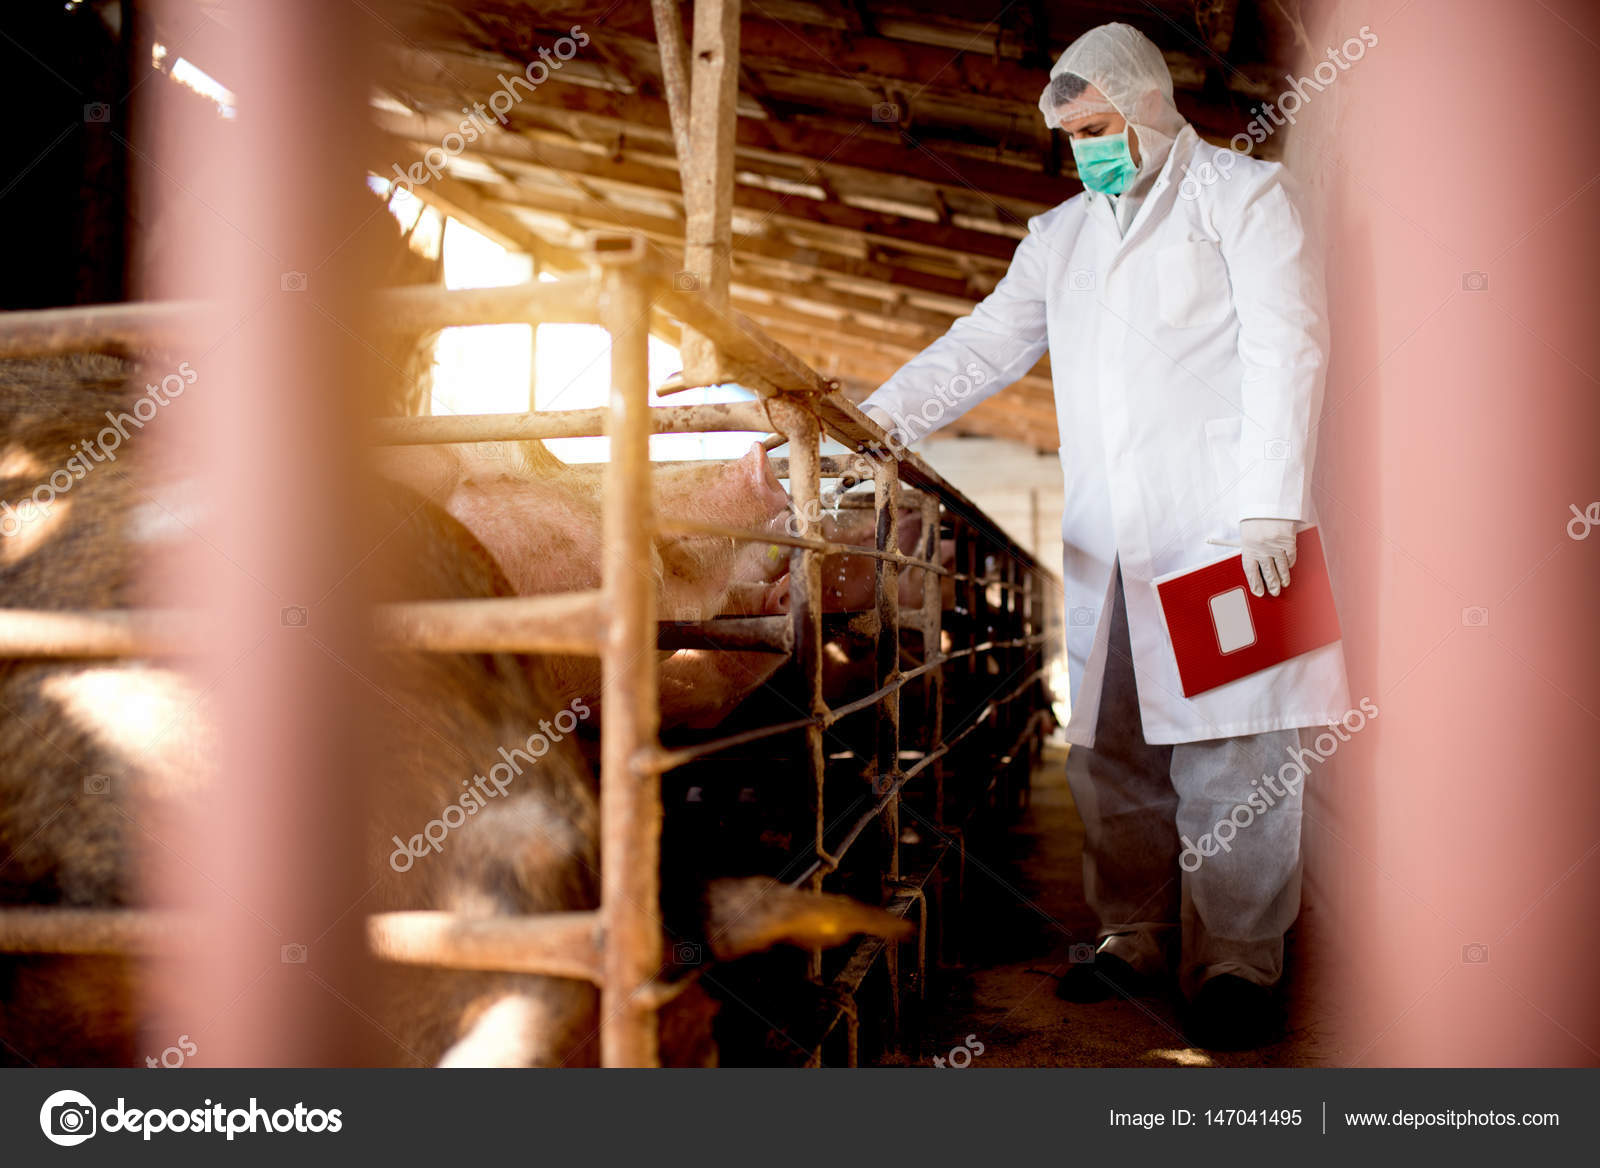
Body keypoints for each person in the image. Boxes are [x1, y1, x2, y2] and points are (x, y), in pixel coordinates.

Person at [857, 22, 1350, 1049]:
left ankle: (1236, 962)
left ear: (1149, 105)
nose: (1086, 149)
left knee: (1238, 751)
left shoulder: (1244, 197)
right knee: (1111, 747)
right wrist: (875, 421)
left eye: (1097, 126)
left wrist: (1272, 499)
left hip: (1228, 532)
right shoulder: (1060, 238)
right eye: (1073, 134)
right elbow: (984, 342)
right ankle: (1132, 933)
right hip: (1111, 545)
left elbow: (1286, 341)